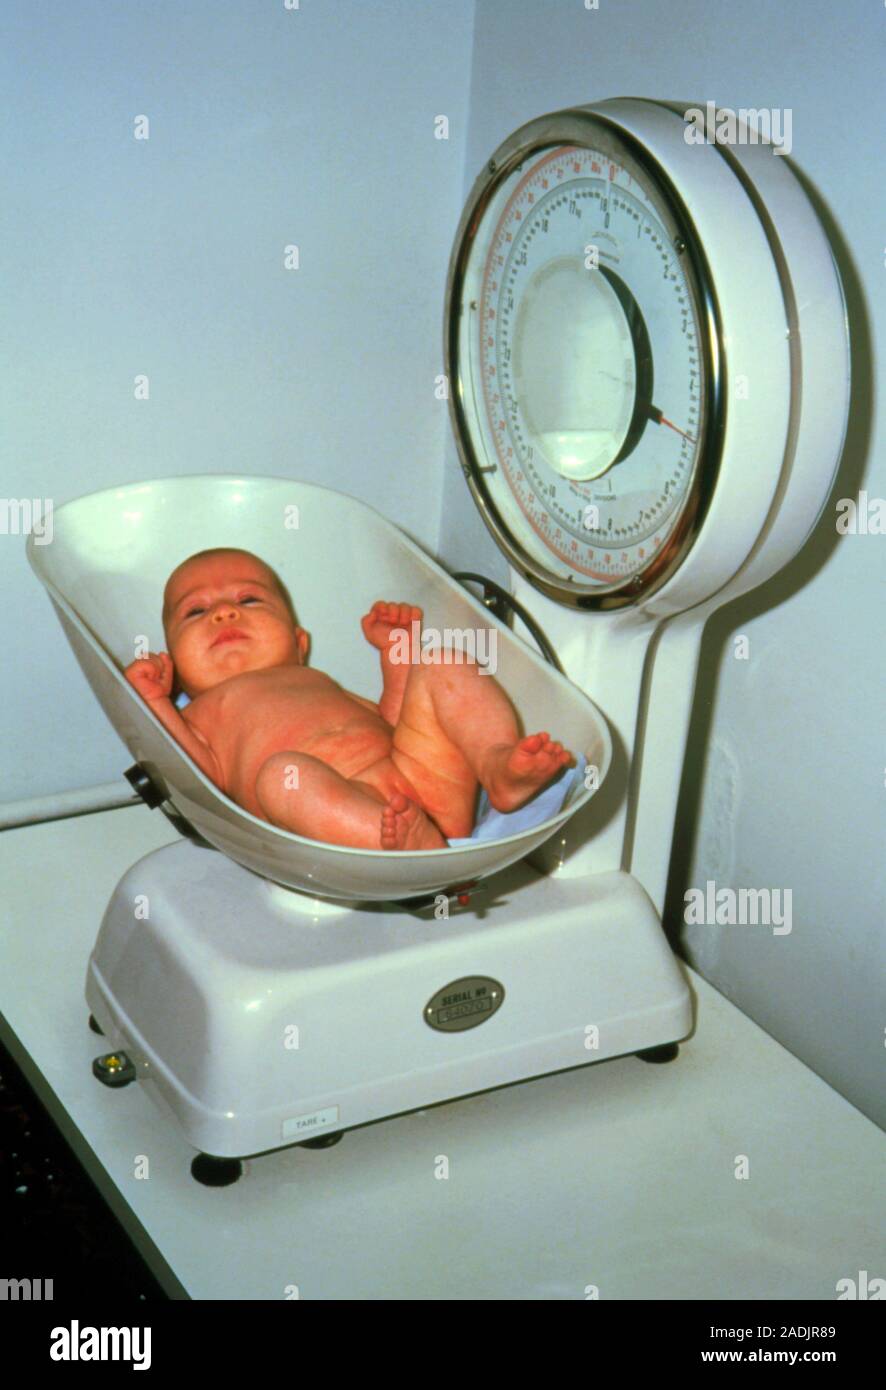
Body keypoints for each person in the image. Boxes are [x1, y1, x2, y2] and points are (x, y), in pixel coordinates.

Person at [124, 547, 573, 851]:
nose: (225, 612)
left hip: (425, 786)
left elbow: (395, 725)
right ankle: (404, 848)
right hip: (349, 821)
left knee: (440, 662)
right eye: (196, 611)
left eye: (250, 600)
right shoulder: (202, 714)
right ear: (177, 673)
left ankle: (497, 766)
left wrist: (396, 653)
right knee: (283, 776)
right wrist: (155, 702)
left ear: (299, 644)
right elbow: (205, 779)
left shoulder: (314, 680)